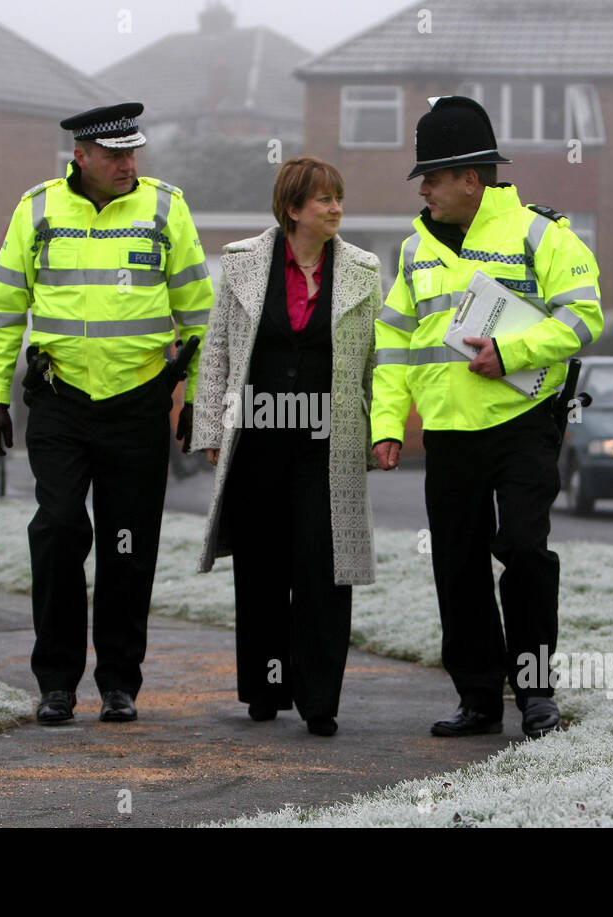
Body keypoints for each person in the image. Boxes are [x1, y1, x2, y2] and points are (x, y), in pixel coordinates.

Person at [371, 96, 604, 739]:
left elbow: (585, 316)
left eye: (433, 177)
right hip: (447, 431)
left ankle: (536, 694)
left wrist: (512, 352)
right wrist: (387, 425)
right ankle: (477, 698)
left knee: (524, 551)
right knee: (457, 563)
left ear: (471, 179)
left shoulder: (540, 234)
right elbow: (392, 345)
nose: (424, 189)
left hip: (523, 423)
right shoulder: (414, 250)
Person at [0, 102, 212, 726]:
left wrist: (199, 401)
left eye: (133, 153)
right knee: (56, 530)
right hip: (60, 402)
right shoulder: (37, 209)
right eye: (114, 155)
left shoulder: (166, 208)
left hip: (138, 406)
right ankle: (55, 683)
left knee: (127, 545)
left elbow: (200, 318)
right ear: (80, 156)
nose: (127, 164)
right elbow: (3, 313)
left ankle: (118, 682)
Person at [191, 156, 381, 737]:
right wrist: (211, 429)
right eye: (323, 200)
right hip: (256, 437)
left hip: (328, 443)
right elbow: (218, 348)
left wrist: (383, 427)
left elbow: (375, 358)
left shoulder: (364, 269)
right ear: (293, 208)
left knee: (325, 566)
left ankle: (319, 700)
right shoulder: (243, 262)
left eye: (339, 198)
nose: (335, 208)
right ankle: (266, 686)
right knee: (262, 566)